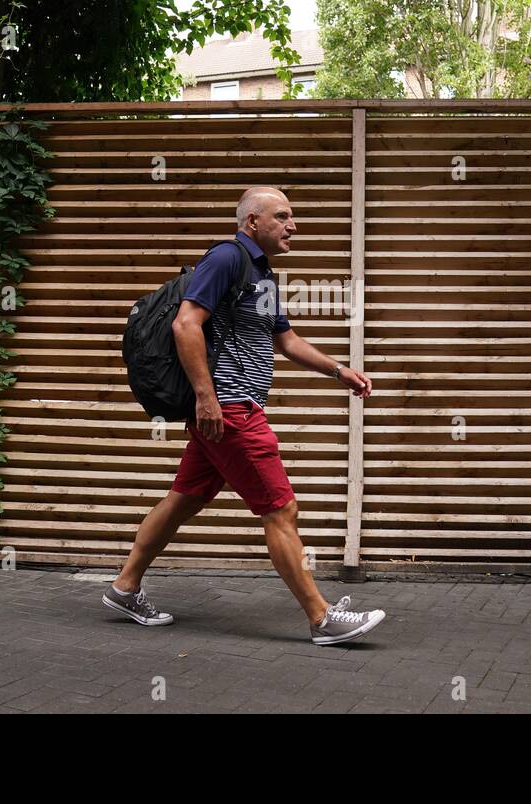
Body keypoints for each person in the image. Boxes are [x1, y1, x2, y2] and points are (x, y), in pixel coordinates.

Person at [104, 186, 386, 645]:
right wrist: (207, 398)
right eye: (283, 216)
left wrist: (340, 371)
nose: (292, 225)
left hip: (228, 412)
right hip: (230, 411)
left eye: (292, 216)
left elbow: (287, 341)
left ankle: (124, 587)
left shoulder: (263, 276)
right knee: (281, 508)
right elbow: (186, 323)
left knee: (184, 500)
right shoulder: (226, 258)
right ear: (253, 221)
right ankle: (321, 618)